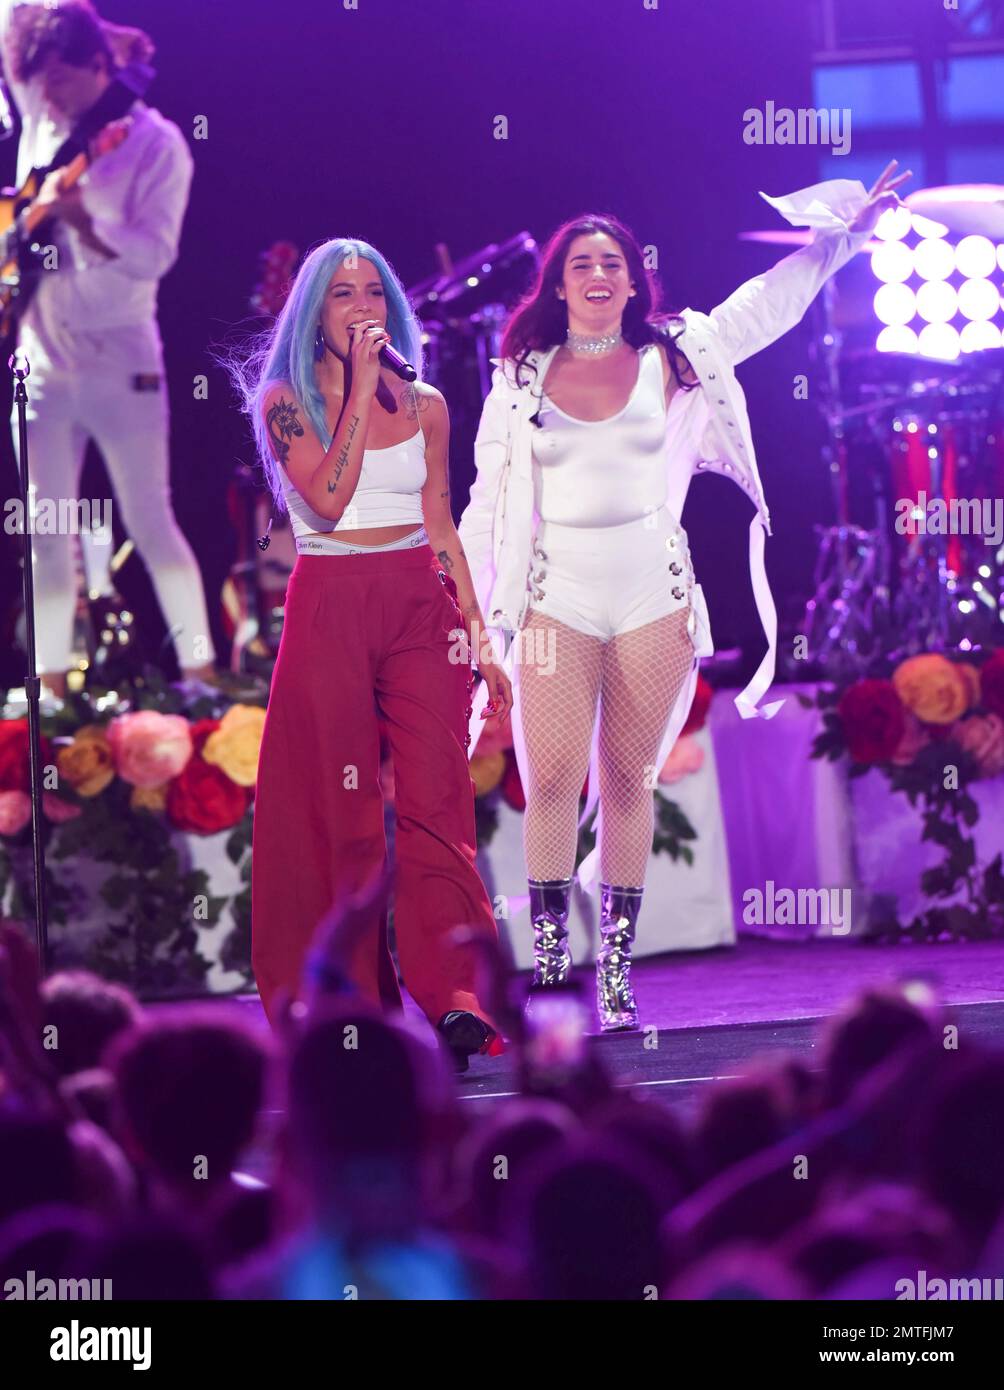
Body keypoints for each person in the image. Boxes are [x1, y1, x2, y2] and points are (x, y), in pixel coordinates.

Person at [458, 165, 910, 1031]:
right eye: (582, 264)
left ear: (634, 280)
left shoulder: (677, 352)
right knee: (550, 776)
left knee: (627, 777)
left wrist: (843, 236)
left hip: (652, 591)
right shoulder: (519, 375)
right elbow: (487, 501)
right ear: (558, 284)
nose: (598, 275)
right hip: (554, 594)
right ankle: (553, 972)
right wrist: (481, 619)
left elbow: (764, 305)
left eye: (613, 264)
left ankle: (618, 978)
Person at [230, 235, 513, 1069]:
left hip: (418, 605)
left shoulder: (425, 403)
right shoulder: (284, 400)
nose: (363, 309)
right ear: (315, 313)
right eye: (344, 294)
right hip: (330, 602)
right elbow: (326, 498)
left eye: (374, 293)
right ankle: (349, 1007)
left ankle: (458, 995)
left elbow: (440, 523)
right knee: (339, 814)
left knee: (439, 798)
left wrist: (481, 636)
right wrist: (355, 390)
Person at [0, 0, 216, 699]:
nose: (48, 98)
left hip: (122, 358)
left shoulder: (159, 145)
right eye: (38, 84)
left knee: (150, 517)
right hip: (40, 352)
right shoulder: (41, 113)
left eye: (60, 81)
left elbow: (156, 255)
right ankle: (53, 690)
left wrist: (86, 224)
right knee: (46, 526)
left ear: (98, 69)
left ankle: (202, 676)